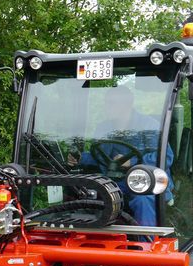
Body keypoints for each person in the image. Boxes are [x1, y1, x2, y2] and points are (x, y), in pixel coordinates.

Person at [68, 86, 173, 226]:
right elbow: (101, 157)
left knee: (143, 200)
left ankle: (147, 243)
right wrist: (80, 159)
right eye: (106, 103)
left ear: (128, 104)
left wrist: (133, 162)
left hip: (145, 182)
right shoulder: (103, 128)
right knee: (84, 195)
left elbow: (166, 157)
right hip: (114, 182)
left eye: (112, 103)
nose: (107, 107)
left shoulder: (149, 126)